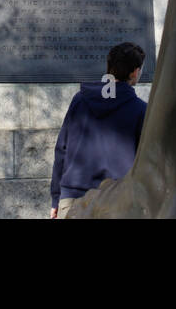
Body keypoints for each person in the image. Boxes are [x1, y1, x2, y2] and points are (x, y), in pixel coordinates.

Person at [50, 41, 147, 219]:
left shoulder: (80, 100)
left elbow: (61, 150)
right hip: (119, 202)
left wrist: (56, 198)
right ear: (134, 71)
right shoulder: (141, 110)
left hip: (73, 199)